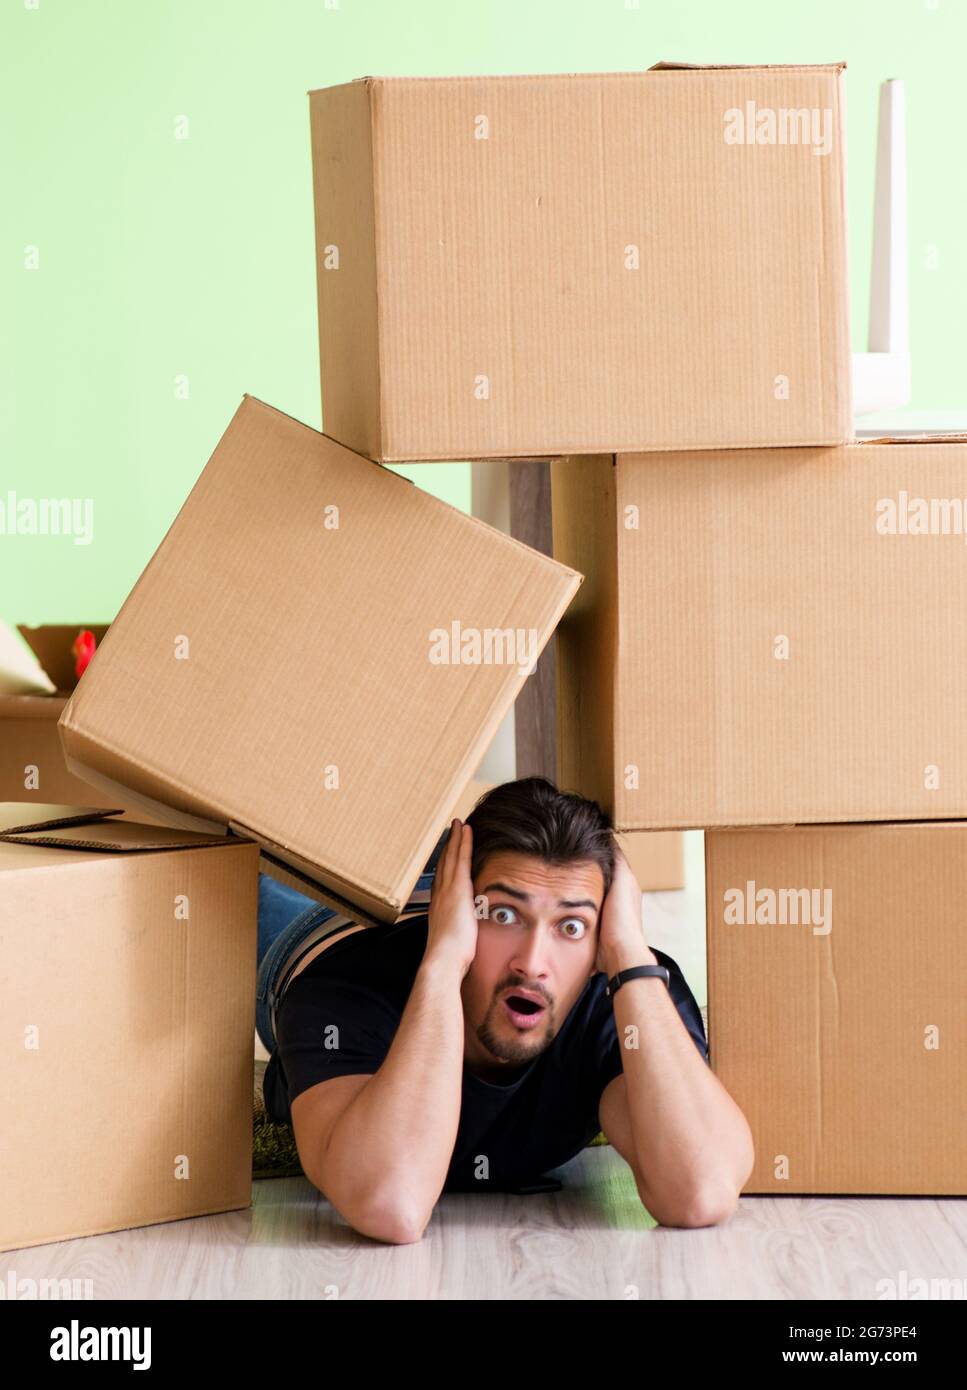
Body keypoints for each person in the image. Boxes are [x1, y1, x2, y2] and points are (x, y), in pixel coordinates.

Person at [257, 777, 754, 1243]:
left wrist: (628, 953)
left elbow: (702, 1191)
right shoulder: (347, 993)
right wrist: (443, 964)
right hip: (322, 934)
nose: (533, 964)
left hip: (467, 899)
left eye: (572, 926)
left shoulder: (625, 997)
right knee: (253, 877)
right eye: (503, 915)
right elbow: (391, 1203)